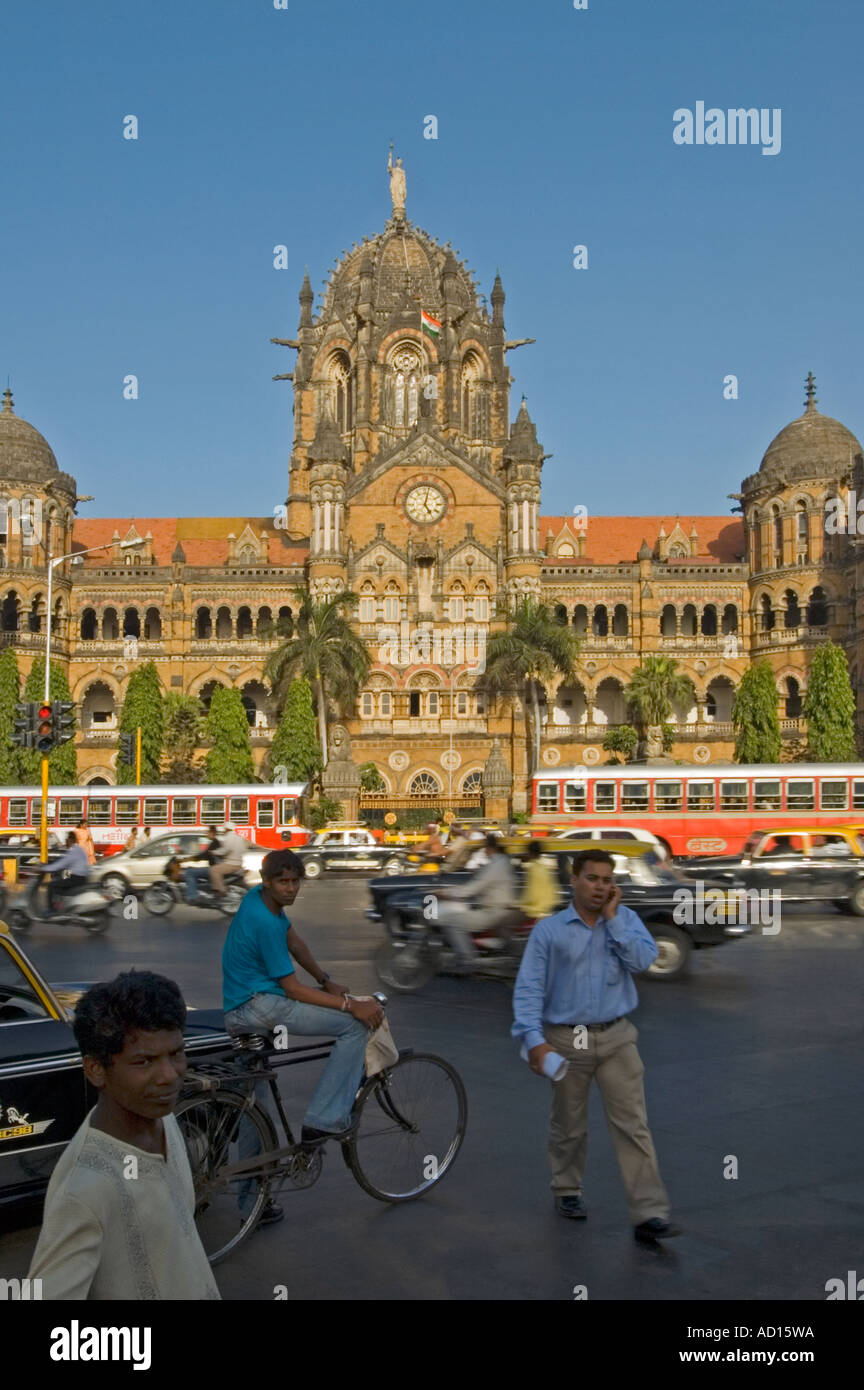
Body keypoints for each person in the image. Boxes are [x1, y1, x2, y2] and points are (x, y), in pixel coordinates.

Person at [512, 849, 678, 1244]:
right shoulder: (549, 930)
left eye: (607, 880)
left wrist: (614, 920)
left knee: (633, 1126)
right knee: (569, 1124)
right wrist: (533, 1041)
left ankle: (649, 1213)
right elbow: (529, 988)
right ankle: (567, 1189)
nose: (600, 886)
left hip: (618, 1036)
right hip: (566, 1038)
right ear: (574, 880)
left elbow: (642, 961)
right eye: (592, 878)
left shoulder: (625, 921)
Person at [28, 970, 220, 1299]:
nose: (169, 1076)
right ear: (96, 1070)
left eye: (175, 1054)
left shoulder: (164, 1118)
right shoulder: (84, 1189)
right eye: (144, 1061)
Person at [222, 848, 383, 1151]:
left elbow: (295, 943)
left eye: (295, 881)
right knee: (354, 1028)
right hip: (260, 1006)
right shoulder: (266, 922)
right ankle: (324, 1120)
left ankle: (253, 1193)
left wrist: (326, 981)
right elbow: (293, 989)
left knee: (254, 1105)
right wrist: (351, 1005)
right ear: (265, 880)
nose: (291, 888)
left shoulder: (258, 898)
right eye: (283, 882)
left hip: (238, 1010)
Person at [435, 834, 517, 972]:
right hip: (498, 909)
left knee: (453, 922)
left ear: (489, 848)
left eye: (485, 848)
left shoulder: (495, 866)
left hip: (493, 912)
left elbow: (473, 888)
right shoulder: (501, 862)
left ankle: (467, 960)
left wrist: (446, 893)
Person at [36, 831, 90, 914]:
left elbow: (60, 864)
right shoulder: (79, 849)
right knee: (60, 881)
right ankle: (61, 905)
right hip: (81, 877)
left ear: (70, 840)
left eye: (67, 839)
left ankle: (50, 909)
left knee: (51, 885)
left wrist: (44, 868)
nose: (65, 842)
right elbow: (68, 865)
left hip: (76, 878)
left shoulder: (73, 852)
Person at [520, 839, 560, 922]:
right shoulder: (543, 867)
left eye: (526, 852)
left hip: (536, 914)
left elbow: (533, 895)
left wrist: (520, 905)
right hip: (544, 912)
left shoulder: (535, 869)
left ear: (531, 853)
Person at [183, 825, 221, 903]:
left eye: (207, 832)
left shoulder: (214, 843)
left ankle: (193, 896)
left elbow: (204, 855)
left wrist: (188, 859)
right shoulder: (214, 842)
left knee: (189, 872)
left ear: (212, 833)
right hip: (214, 868)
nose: (206, 834)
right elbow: (205, 855)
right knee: (191, 869)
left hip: (213, 869)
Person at [209, 823, 248, 896]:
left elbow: (226, 850)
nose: (224, 831)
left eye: (224, 829)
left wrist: (214, 852)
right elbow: (244, 849)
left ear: (226, 829)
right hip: (239, 864)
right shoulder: (240, 837)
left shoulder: (229, 837)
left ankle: (221, 891)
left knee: (214, 870)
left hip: (231, 864)